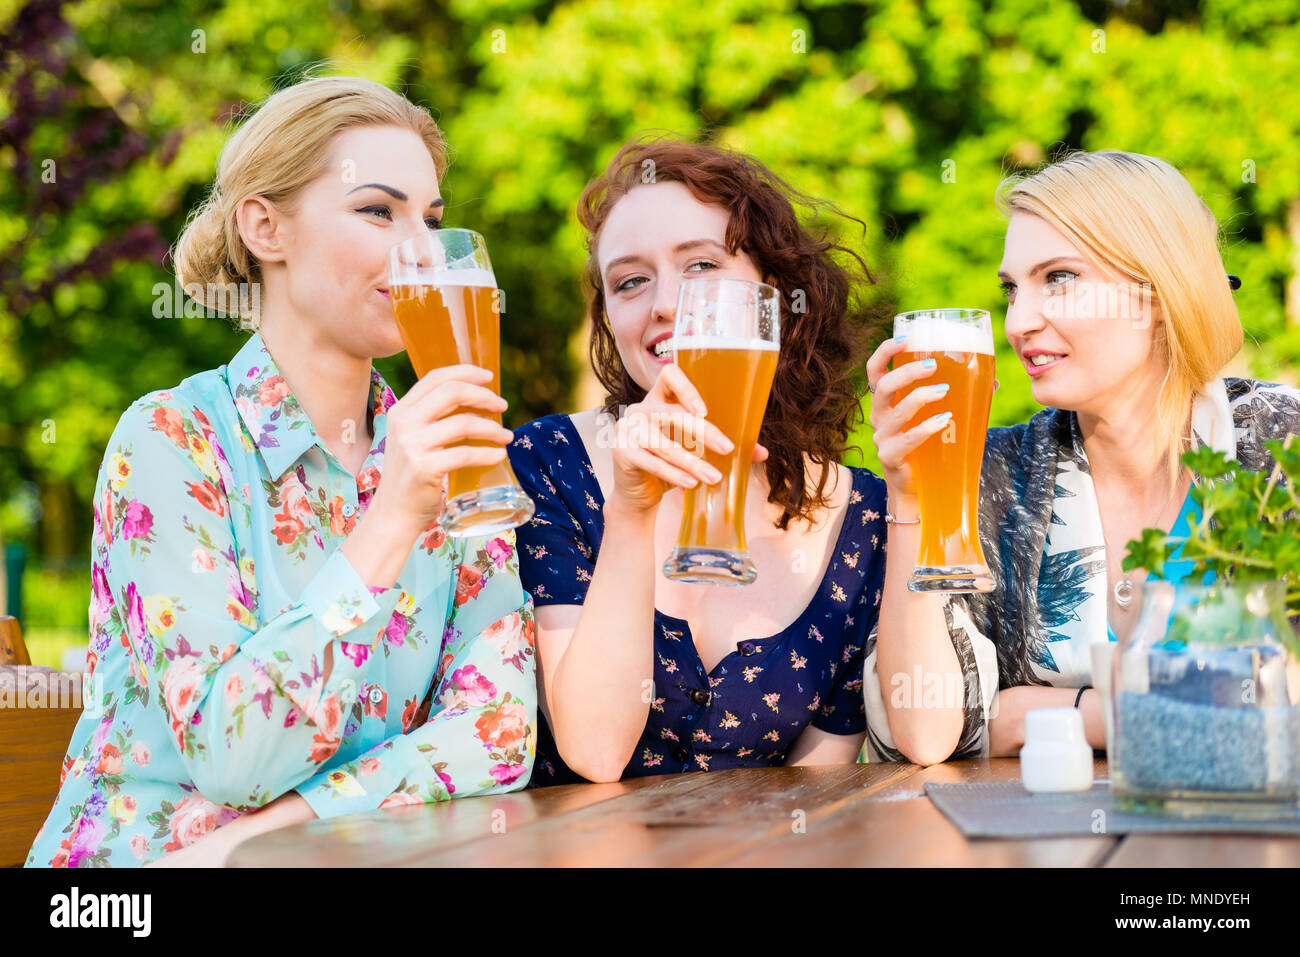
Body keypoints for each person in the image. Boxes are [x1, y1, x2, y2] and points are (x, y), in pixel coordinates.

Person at [26, 76, 535, 868]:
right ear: (266, 227)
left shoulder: (450, 454)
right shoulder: (170, 441)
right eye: (379, 210)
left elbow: (499, 734)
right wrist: (393, 517)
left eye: (431, 220)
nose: (426, 250)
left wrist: (287, 820)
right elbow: (234, 755)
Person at [864, 149, 1300, 764]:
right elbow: (926, 731)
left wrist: (1051, 715)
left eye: (1059, 279)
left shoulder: (1281, 444)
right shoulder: (994, 474)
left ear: (1154, 293)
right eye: (1012, 289)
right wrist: (912, 494)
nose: (1018, 321)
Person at [507, 136, 889, 784]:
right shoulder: (549, 465)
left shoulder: (864, 518)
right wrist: (630, 510)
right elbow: (594, 750)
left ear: (776, 297)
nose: (663, 302)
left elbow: (819, 798)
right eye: (630, 281)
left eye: (702, 266)